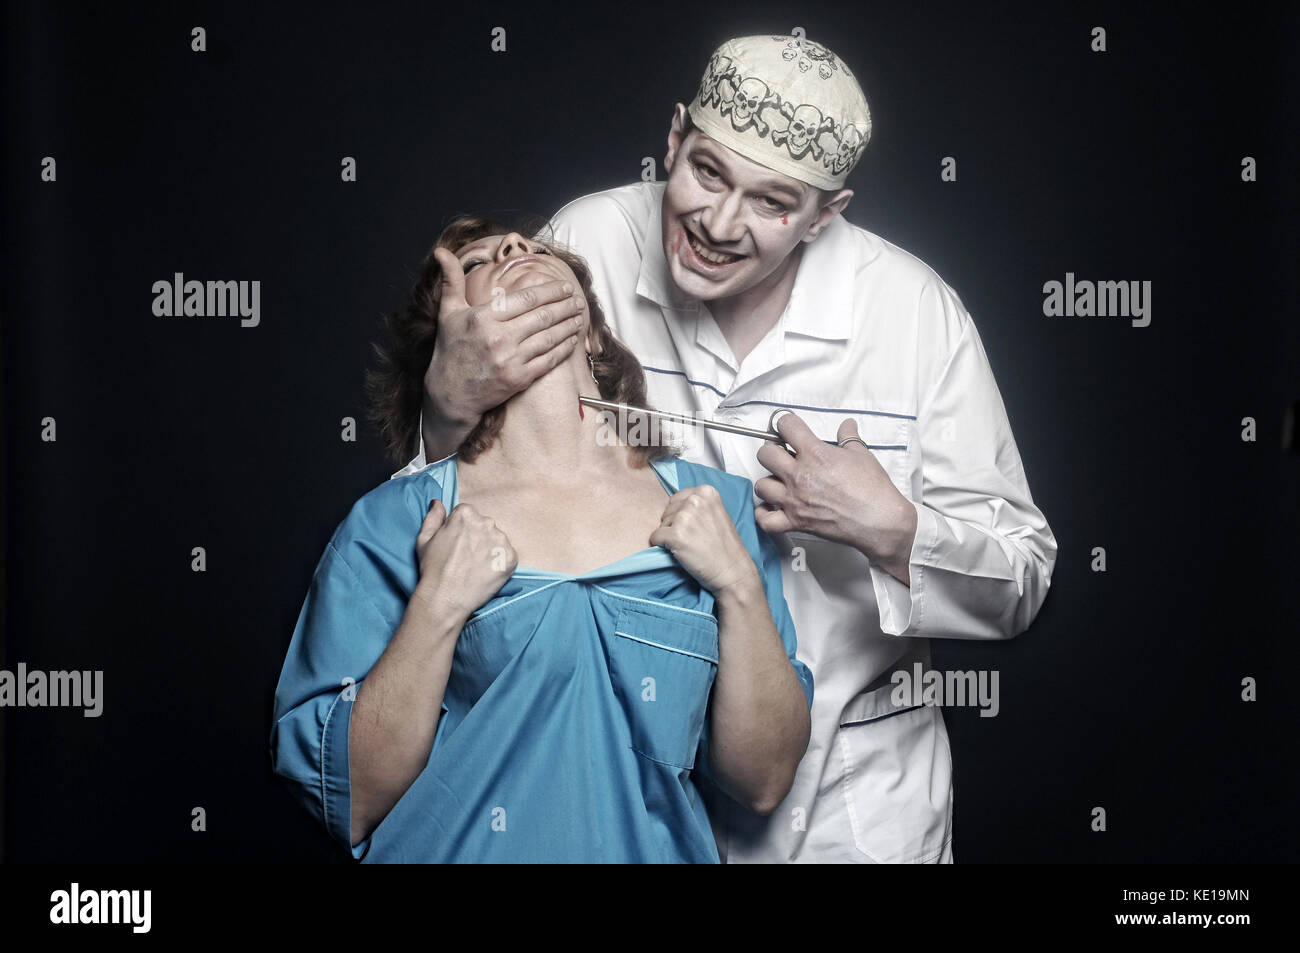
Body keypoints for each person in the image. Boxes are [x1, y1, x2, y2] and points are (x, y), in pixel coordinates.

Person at [407, 34, 1058, 863]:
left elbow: (1023, 575)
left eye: (772, 203)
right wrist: (445, 404)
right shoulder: (586, 242)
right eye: (706, 172)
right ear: (673, 138)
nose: (716, 225)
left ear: (828, 213)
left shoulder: (916, 314)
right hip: (614, 792)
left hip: (849, 817)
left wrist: (892, 531)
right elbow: (462, 497)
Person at [269, 216, 813, 863]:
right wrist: (438, 606)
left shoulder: (716, 507)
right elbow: (350, 796)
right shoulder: (399, 520)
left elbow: (765, 779)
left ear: (590, 330)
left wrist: (740, 587)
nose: (515, 248)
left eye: (534, 249)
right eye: (477, 264)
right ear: (448, 336)